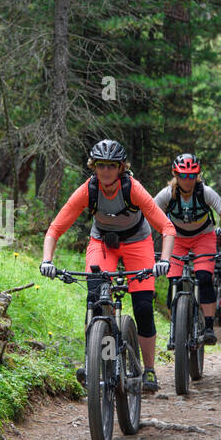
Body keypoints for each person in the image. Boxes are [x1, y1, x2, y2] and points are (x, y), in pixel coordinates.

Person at [41, 140, 176, 392]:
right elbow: (56, 228)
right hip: (102, 242)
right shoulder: (88, 190)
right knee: (95, 299)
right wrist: (47, 260)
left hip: (138, 243)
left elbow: (167, 228)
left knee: (144, 307)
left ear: (121, 167)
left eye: (111, 166)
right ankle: (96, 359)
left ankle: (148, 370)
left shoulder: (133, 188)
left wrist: (165, 260)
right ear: (94, 166)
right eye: (101, 165)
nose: (106, 171)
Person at [153, 153, 221, 345]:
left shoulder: (206, 192)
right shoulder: (167, 194)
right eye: (183, 176)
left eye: (192, 176)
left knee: (203, 278)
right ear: (175, 174)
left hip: (204, 237)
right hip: (176, 238)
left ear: (198, 175)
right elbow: (148, 215)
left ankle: (208, 327)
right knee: (173, 281)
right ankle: (175, 326)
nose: (187, 180)